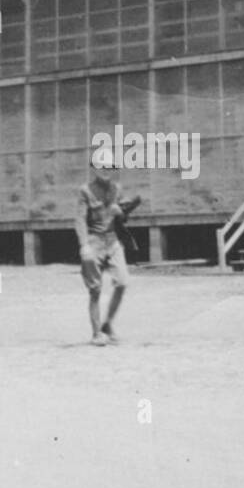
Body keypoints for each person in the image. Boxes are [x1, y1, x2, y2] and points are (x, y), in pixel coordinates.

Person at [75, 148, 140, 346]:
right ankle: (96, 334)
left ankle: (108, 324)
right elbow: (80, 219)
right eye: (102, 166)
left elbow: (122, 218)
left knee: (122, 282)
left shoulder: (116, 189)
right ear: (94, 168)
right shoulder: (85, 191)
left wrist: (121, 212)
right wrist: (84, 245)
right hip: (93, 241)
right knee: (95, 290)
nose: (106, 170)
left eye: (110, 166)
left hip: (113, 241)